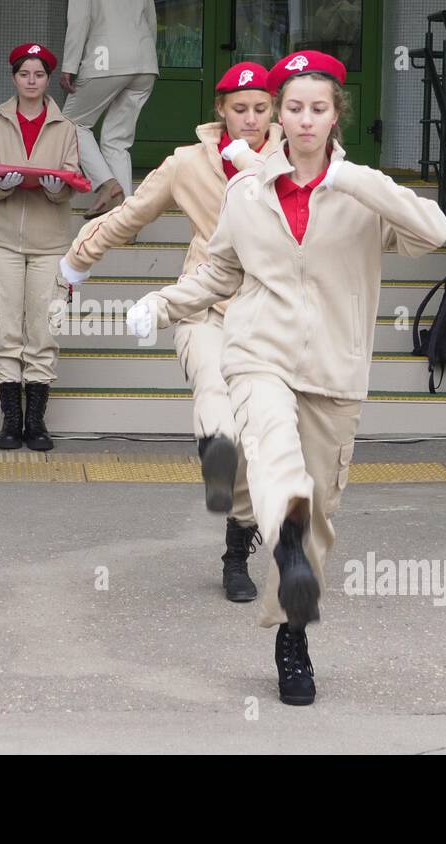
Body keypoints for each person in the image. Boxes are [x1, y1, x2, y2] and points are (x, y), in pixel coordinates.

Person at [126, 51, 446, 705]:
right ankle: (289, 581)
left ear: (335, 115)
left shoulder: (362, 194)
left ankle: (291, 629)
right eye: (293, 107)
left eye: (317, 108)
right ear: (279, 115)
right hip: (258, 355)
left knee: (317, 514)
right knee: (273, 458)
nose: (303, 120)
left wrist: (357, 179)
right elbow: (220, 273)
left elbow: (434, 232)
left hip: (335, 371)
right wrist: (160, 305)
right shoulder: (246, 193)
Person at [59, 62, 282, 602]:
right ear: (220, 112)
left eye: (260, 108)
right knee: (212, 388)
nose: (250, 119)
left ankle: (236, 550)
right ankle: (216, 456)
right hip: (200, 304)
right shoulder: (187, 164)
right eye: (239, 109)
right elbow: (132, 213)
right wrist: (77, 260)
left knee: (257, 441)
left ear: (273, 110)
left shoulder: (293, 159)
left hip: (267, 318)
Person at [0, 43, 81, 451]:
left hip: (50, 241)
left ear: (48, 79)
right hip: (2, 238)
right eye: (25, 74)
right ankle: (10, 421)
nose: (32, 81)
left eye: (39, 75)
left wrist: (58, 190)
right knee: (5, 328)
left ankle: (36, 421)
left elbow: (71, 179)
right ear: (14, 77)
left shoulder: (66, 128)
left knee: (43, 329)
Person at [60, 0, 158, 219]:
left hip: (106, 60)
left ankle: (106, 184)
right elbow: (150, 19)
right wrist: (145, 56)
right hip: (143, 60)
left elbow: (80, 19)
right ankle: (125, 223)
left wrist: (69, 65)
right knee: (117, 141)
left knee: (70, 124)